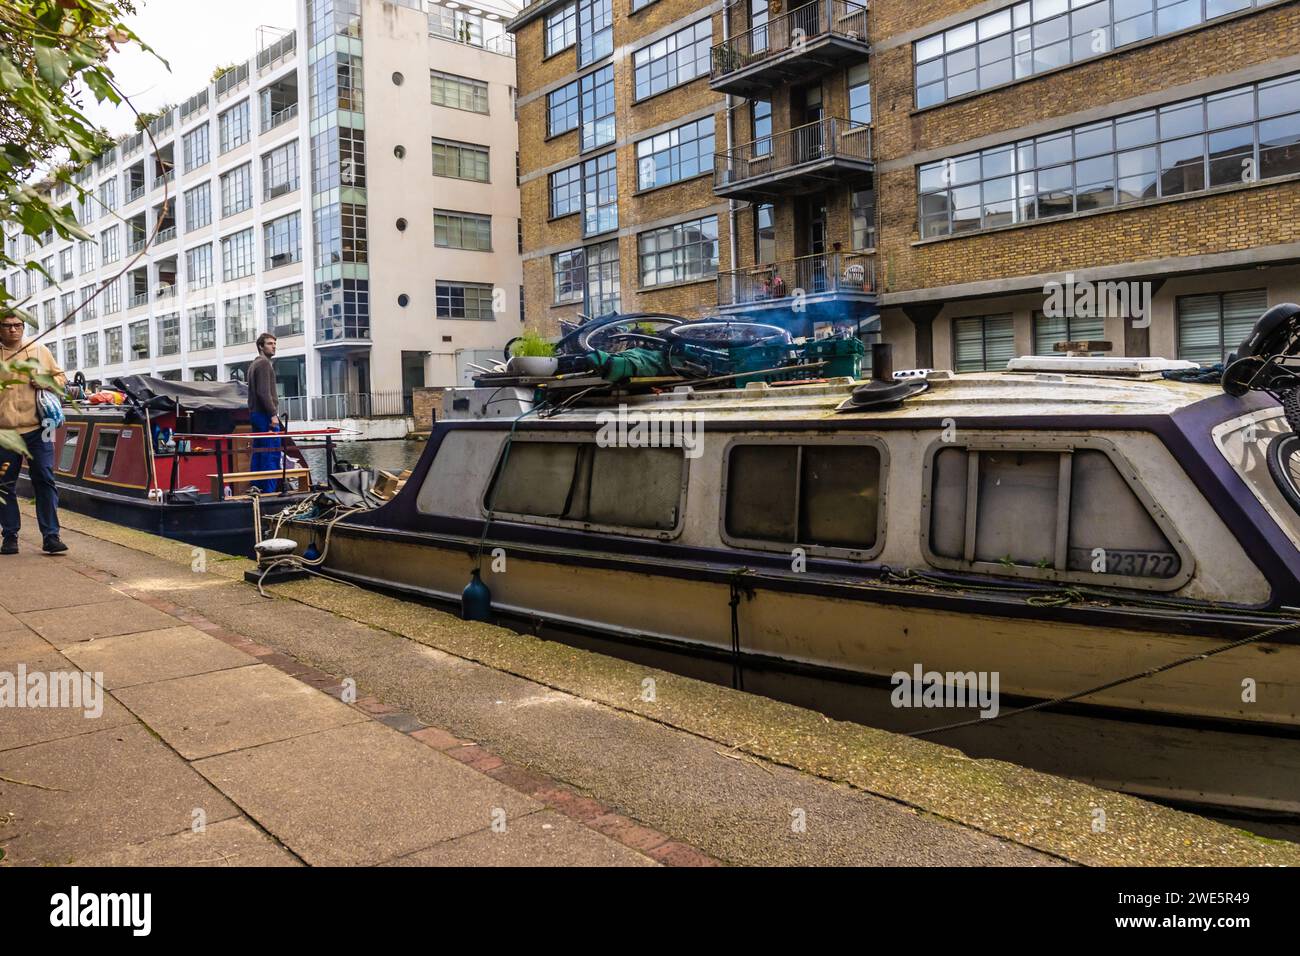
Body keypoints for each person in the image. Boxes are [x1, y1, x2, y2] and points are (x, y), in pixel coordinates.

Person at [0, 316, 68, 554]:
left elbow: (61, 378)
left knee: (45, 480)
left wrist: (46, 382)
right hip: (5, 432)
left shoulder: (38, 350)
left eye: (18, 325)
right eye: (7, 325)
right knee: (4, 485)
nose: (13, 329)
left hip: (40, 429)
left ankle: (51, 536)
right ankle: (10, 536)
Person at [247, 332, 281, 492]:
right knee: (271, 453)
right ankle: (269, 492)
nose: (273, 346)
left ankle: (256, 487)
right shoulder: (264, 364)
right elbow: (263, 392)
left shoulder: (254, 364)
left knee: (259, 451)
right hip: (265, 415)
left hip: (255, 414)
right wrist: (273, 414)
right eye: (269, 343)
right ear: (261, 346)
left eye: (274, 344)